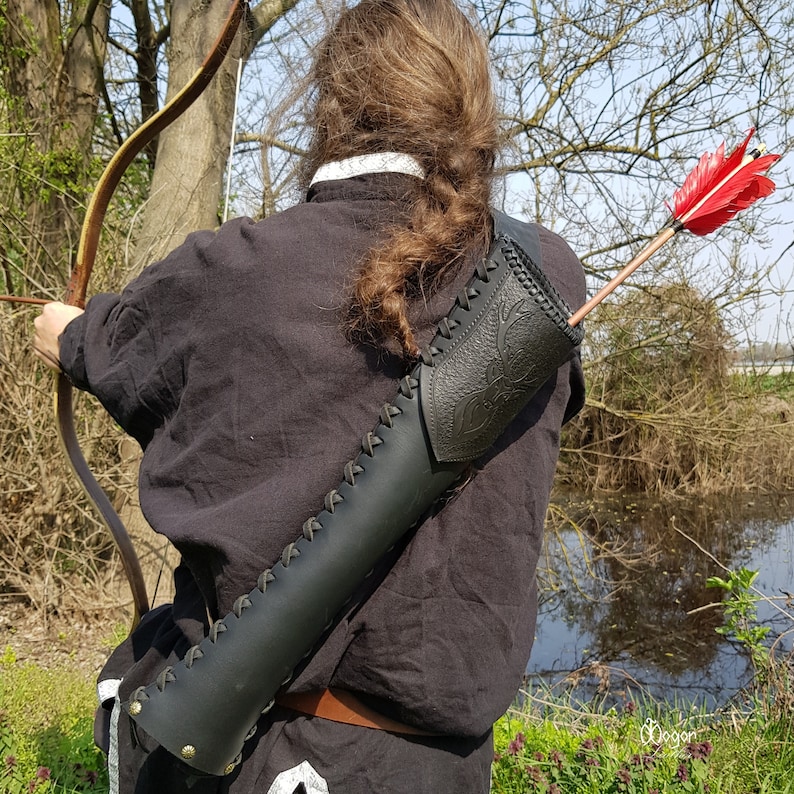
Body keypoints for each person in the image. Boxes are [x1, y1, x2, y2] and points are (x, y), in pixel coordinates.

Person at [33, 1, 586, 791]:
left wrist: (63, 329)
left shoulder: (230, 273)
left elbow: (110, 345)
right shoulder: (546, 275)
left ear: (332, 105)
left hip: (250, 755)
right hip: (439, 774)